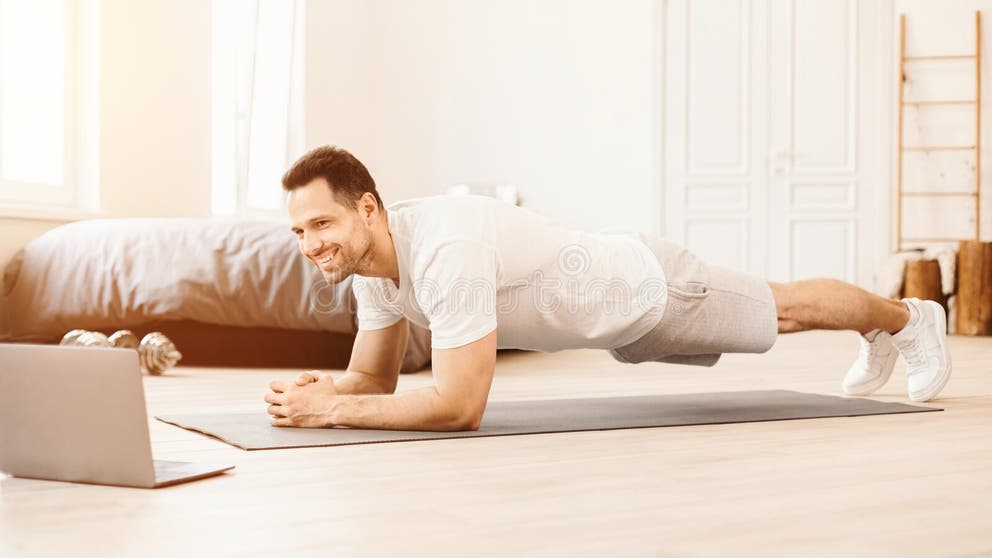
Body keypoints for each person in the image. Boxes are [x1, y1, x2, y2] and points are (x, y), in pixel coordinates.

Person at [264, 146, 952, 431]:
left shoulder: (445, 245)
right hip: (618, 324)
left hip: (649, 291)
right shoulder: (374, 270)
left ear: (369, 210)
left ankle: (907, 318)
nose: (311, 244)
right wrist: (320, 392)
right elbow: (371, 380)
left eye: (320, 222)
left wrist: (332, 414)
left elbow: (460, 406)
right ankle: (886, 327)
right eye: (299, 231)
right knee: (782, 304)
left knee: (790, 309)